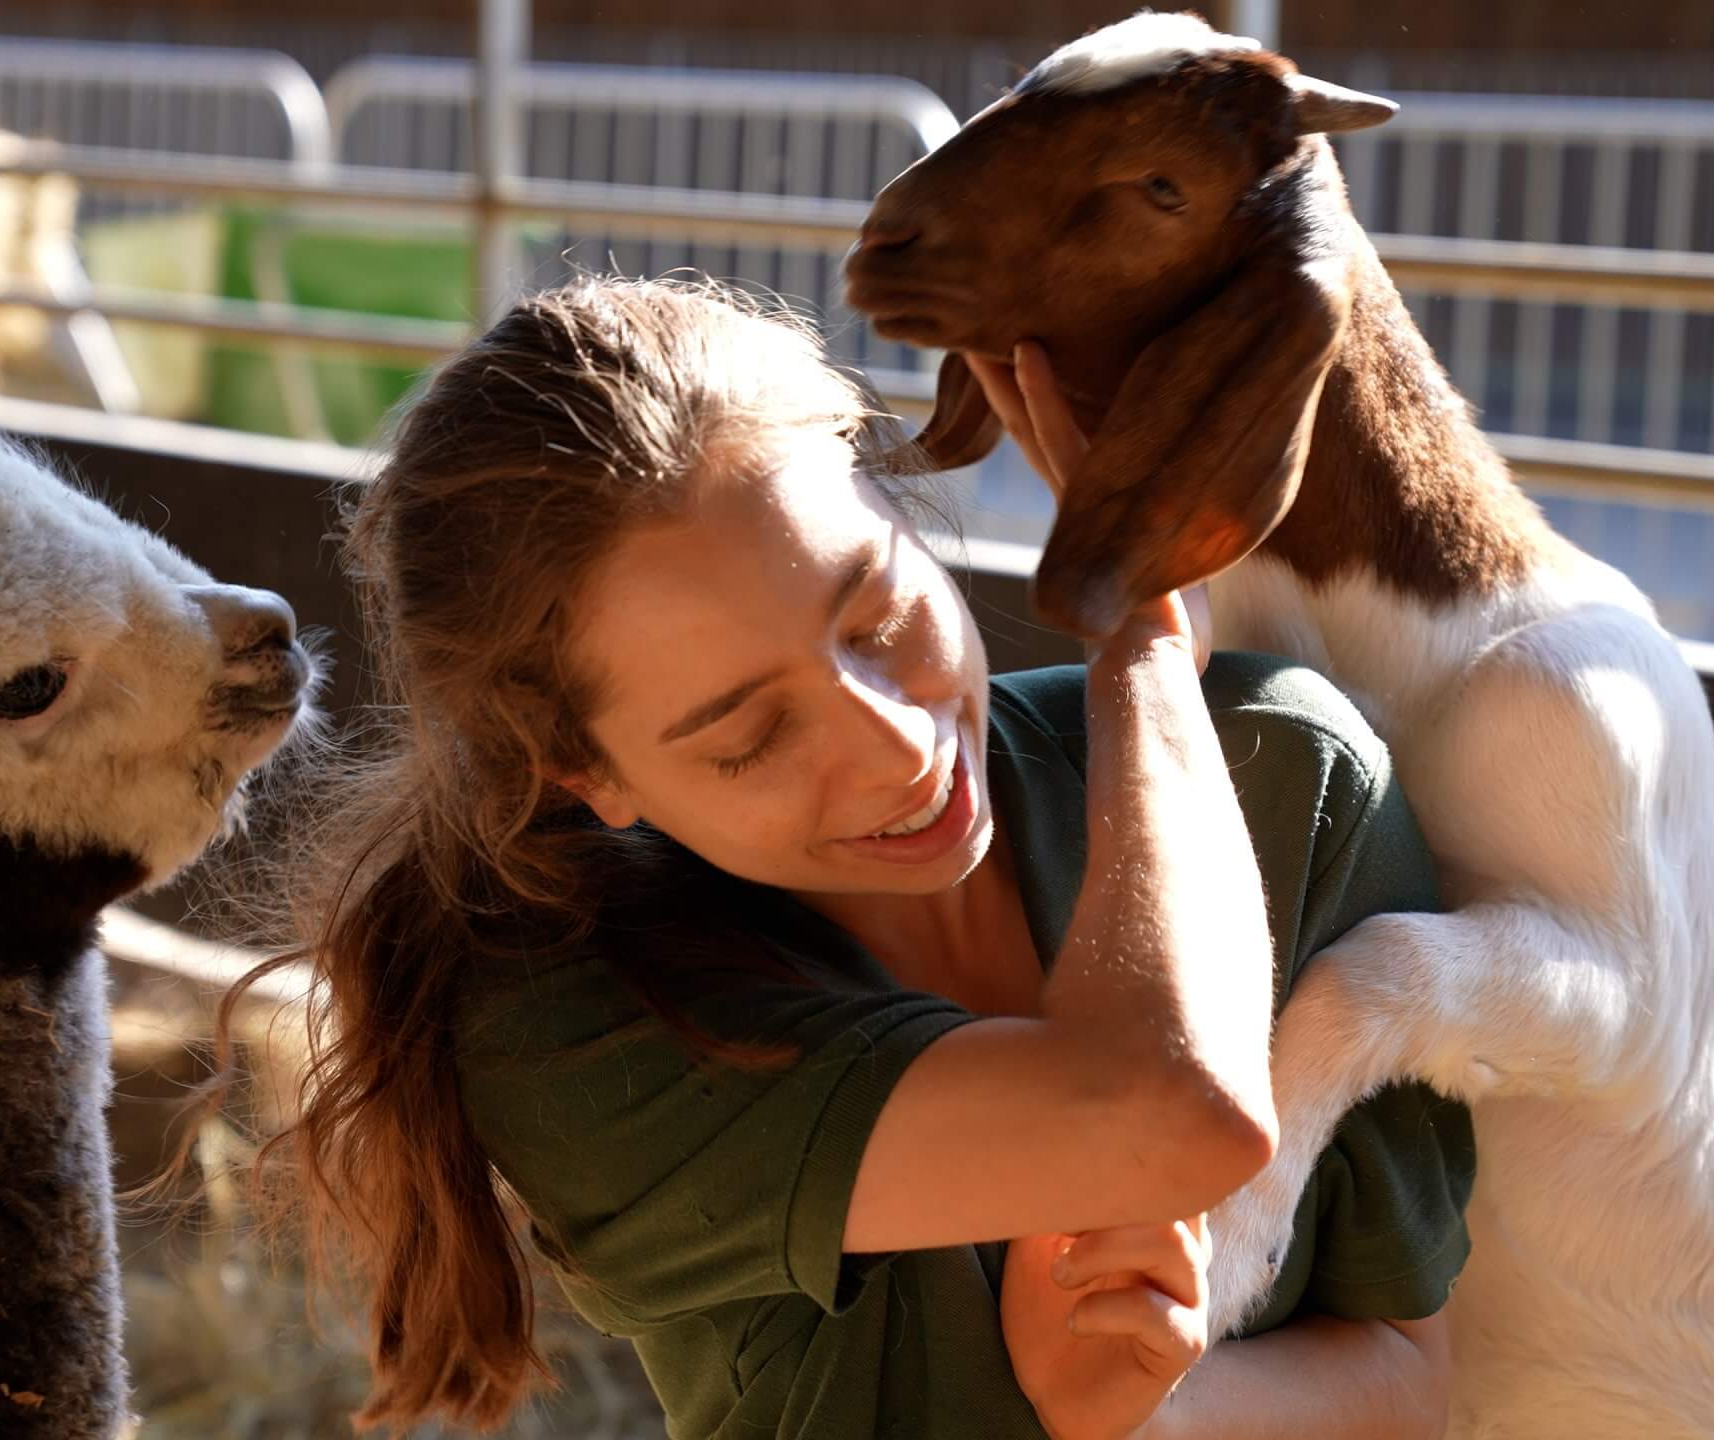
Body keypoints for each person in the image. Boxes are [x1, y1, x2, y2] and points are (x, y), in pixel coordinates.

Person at [244, 275, 1471, 1439]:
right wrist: (1144, 638)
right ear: (586, 773)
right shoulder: (569, 1024)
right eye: (752, 734)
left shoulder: (1284, 775)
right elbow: (1165, 1113)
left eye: (878, 616)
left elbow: (1414, 1386)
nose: (895, 751)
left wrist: (1142, 1418)